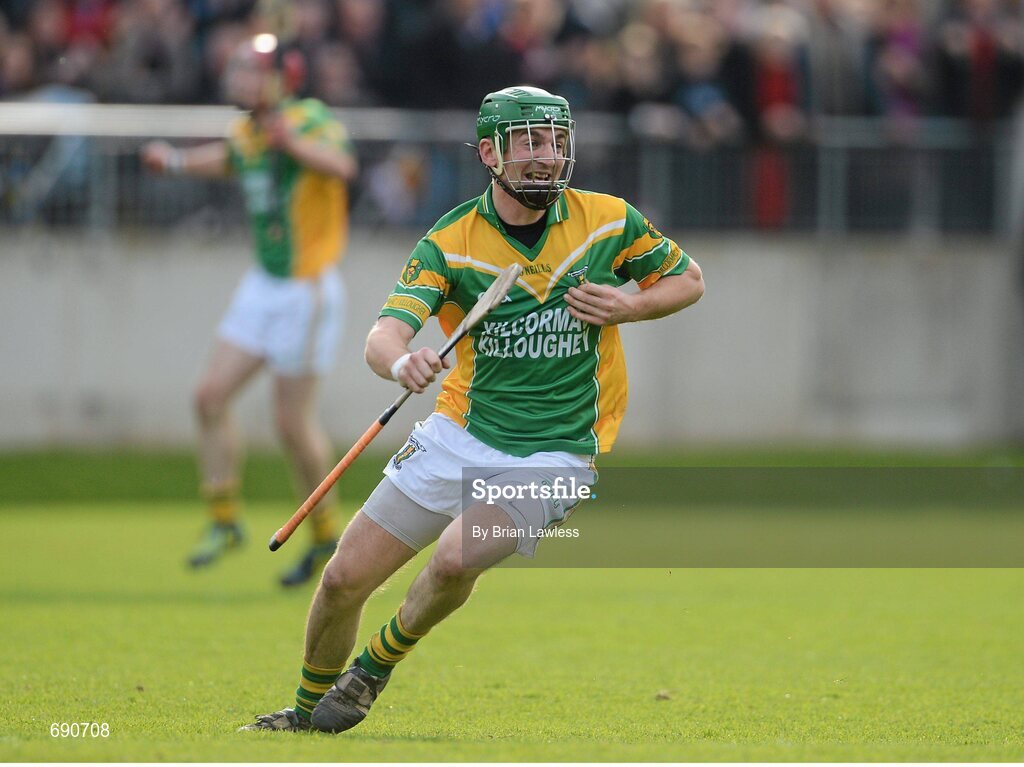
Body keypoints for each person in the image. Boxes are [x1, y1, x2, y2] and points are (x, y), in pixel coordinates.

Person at [240, 85, 704, 732]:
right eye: (530, 142)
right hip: (460, 430)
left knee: (458, 556)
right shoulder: (450, 241)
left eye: (556, 141)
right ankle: (307, 708)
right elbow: (385, 334)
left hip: (558, 448)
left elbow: (688, 279)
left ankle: (373, 666)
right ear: (491, 152)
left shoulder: (608, 221)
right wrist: (405, 362)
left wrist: (630, 304)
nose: (547, 156)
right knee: (343, 578)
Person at [141, 33, 359, 587]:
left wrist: (294, 145)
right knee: (208, 397)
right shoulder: (248, 131)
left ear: (281, 78)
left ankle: (326, 533)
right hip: (262, 284)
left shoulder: (308, 119)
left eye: (247, 70)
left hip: (307, 290)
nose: (236, 78)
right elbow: (231, 159)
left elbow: (342, 166)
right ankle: (224, 519)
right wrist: (173, 162)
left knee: (290, 422)